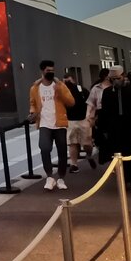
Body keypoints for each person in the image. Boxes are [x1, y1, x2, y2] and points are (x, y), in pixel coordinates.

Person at [98, 66, 131, 191]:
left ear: (123, 76)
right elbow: (104, 113)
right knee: (120, 157)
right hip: (115, 130)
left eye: (118, 78)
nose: (116, 81)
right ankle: (126, 181)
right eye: (114, 79)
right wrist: (104, 130)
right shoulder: (107, 93)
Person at [28, 60, 75, 191]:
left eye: (52, 70)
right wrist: (32, 112)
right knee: (44, 148)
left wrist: (59, 88)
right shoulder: (35, 88)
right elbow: (32, 103)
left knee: (61, 151)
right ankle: (49, 177)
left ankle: (61, 178)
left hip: (59, 123)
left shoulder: (60, 85)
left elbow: (71, 102)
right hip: (44, 123)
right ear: (42, 71)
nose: (51, 73)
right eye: (48, 71)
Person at [63, 72, 95, 173]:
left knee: (87, 143)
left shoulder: (82, 90)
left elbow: (91, 102)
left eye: (69, 80)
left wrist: (91, 116)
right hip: (70, 120)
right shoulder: (63, 92)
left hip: (83, 119)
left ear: (73, 80)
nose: (68, 83)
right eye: (65, 81)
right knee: (72, 143)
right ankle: (74, 164)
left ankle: (89, 155)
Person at [86, 68, 111, 162]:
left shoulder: (114, 86)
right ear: (106, 76)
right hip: (101, 114)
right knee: (102, 138)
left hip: (114, 113)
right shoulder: (96, 88)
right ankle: (109, 158)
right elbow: (91, 102)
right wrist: (88, 115)